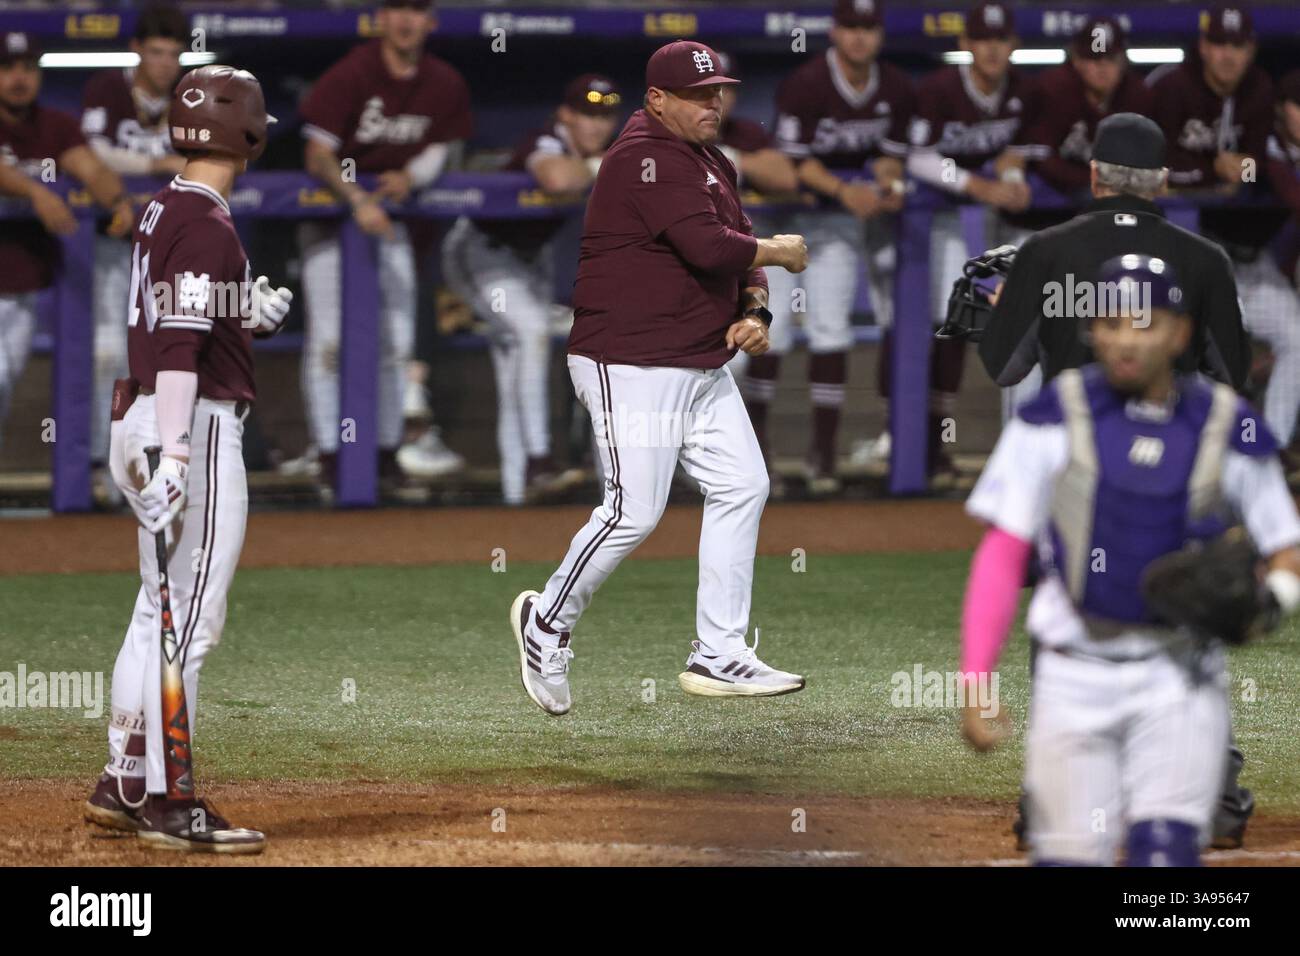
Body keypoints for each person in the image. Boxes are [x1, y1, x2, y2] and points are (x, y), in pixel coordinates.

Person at [959, 253, 1300, 865]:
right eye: (1110, 322)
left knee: (1164, 860)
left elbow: (1284, 546)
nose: (1123, 338)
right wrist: (978, 676)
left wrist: (1271, 602)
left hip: (1180, 679)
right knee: (1068, 857)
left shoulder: (1229, 426)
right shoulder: (1051, 415)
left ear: (1179, 332)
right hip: (1071, 677)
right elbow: (1003, 553)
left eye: (1143, 323)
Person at [508, 40, 809, 716]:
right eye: (698, 95)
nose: (714, 104)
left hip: (698, 358)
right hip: (631, 360)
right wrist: (781, 254)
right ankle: (547, 623)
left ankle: (720, 651)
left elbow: (738, 246)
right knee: (633, 510)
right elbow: (712, 246)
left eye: (718, 92)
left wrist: (755, 307)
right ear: (657, 100)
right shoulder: (642, 157)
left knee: (742, 484)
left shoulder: (712, 160)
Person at [82, 65, 290, 852]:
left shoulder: (166, 205)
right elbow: (179, 346)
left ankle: (125, 778)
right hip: (189, 425)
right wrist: (175, 456)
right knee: (189, 618)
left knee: (155, 609)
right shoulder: (208, 223)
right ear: (251, 131)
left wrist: (247, 314)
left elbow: (184, 317)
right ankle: (171, 802)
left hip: (146, 413)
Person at [298, 0, 471, 493]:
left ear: (431, 22)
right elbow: (317, 154)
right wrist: (356, 198)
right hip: (330, 223)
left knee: (395, 343)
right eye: (396, 8)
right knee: (330, 344)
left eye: (416, 10)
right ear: (379, 18)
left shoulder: (442, 80)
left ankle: (386, 451)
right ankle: (331, 454)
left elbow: (441, 145)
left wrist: (412, 176)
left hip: (390, 225)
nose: (405, 19)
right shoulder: (352, 72)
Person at [747, 0, 913, 495]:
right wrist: (846, 190)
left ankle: (823, 455)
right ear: (835, 33)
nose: (860, 37)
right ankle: (759, 452)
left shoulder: (897, 88)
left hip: (838, 226)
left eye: (869, 28)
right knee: (767, 330)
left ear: (880, 35)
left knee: (831, 331)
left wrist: (887, 178)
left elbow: (893, 157)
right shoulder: (807, 82)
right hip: (785, 222)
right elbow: (796, 165)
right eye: (851, 28)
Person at [979, 112, 1251, 400]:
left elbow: (1003, 368)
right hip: (1169, 436)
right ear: (1162, 182)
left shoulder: (1042, 251)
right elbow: (1233, 373)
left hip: (1073, 434)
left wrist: (1005, 311)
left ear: (1095, 176)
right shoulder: (1206, 259)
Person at [441, 74, 621, 505]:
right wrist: (600, 167)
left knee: (515, 353)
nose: (596, 125)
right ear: (566, 115)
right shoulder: (547, 138)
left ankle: (516, 487)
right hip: (481, 249)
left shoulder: (600, 149)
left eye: (605, 115)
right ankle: (539, 460)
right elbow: (557, 179)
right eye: (587, 114)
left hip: (530, 259)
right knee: (531, 333)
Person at [888, 0, 1034, 474]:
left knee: (954, 323)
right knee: (921, 323)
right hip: (922, 218)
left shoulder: (1020, 90)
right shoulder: (938, 89)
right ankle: (905, 438)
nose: (992, 50)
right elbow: (918, 157)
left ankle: (934, 444)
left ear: (1013, 44)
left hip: (975, 218)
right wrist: (978, 184)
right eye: (983, 40)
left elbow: (1017, 147)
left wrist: (1011, 170)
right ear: (966, 44)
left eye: (1000, 40)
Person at [1148, 4, 1300, 449]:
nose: (1228, 56)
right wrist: (1210, 171)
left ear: (1251, 50)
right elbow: (1154, 171)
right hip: (1190, 251)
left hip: (1248, 260)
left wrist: (1243, 169)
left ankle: (1264, 448)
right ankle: (1197, 452)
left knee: (1296, 339)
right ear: (1203, 47)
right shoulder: (1171, 87)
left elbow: (1255, 173)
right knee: (1203, 348)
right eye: (1219, 45)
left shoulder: (1259, 91)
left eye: (1238, 45)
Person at [0, 31, 134, 441]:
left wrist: (119, 200)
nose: (19, 78)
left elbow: (90, 168)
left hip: (20, 287)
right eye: (7, 68)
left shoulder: (54, 125)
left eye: (28, 68)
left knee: (4, 380)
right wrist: (35, 190)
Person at [81, 3, 189, 480]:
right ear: (137, 51)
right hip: (115, 245)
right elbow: (94, 153)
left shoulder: (190, 95)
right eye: (156, 52)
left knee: (175, 354)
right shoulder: (107, 88)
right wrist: (156, 167)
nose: (164, 63)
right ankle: (98, 462)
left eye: (173, 54)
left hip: (174, 249)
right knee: (109, 353)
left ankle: (167, 462)